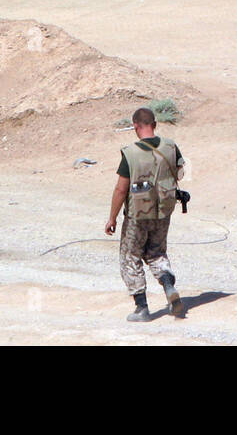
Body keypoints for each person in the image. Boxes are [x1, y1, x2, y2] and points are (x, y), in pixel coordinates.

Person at [104, 107, 186, 322]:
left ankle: (142, 308)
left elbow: (121, 189)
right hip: (163, 211)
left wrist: (112, 218)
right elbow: (180, 173)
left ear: (136, 126)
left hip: (137, 215)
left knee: (130, 256)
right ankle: (168, 286)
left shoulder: (130, 153)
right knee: (157, 253)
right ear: (154, 125)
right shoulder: (170, 146)